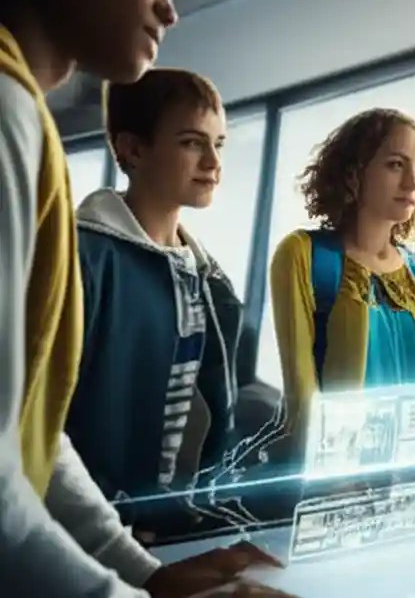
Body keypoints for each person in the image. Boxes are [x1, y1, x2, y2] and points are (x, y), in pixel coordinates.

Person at [0, 0, 286, 596]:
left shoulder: (26, 119)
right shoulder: (7, 115)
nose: (169, 7)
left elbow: (29, 433)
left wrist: (144, 574)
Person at [65, 68, 251, 543]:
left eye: (219, 144)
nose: (213, 161)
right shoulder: (81, 260)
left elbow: (216, 416)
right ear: (133, 149)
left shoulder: (210, 279)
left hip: (173, 529)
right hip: (85, 534)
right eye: (192, 142)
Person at [269, 108, 415, 461]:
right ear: (353, 173)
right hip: (332, 472)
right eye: (396, 165)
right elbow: (302, 394)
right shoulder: (304, 254)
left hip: (408, 472)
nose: (412, 183)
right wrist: (333, 475)